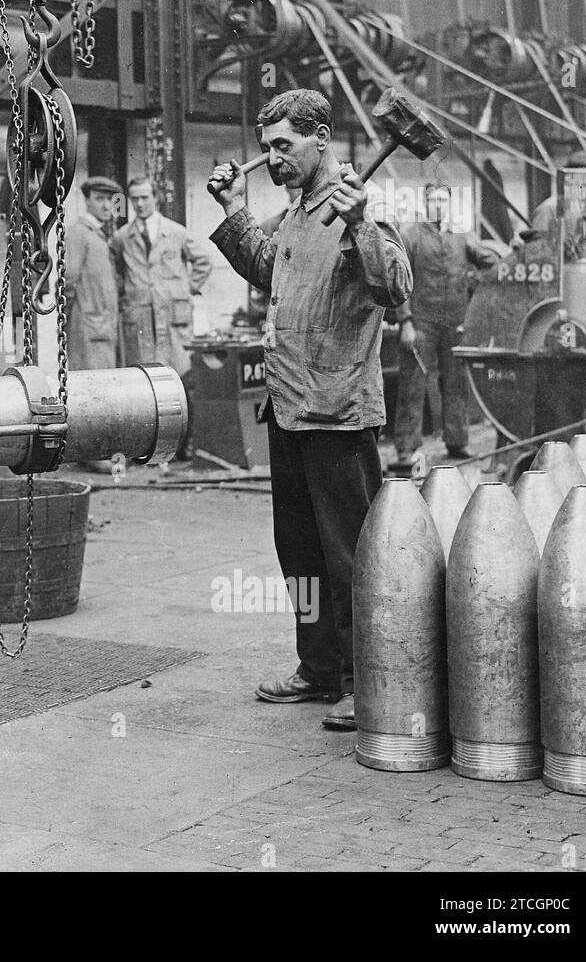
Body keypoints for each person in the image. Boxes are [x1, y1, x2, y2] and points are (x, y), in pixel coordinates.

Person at [206, 89, 412, 732]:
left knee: (350, 555)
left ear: (320, 138)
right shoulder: (295, 217)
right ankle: (317, 668)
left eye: (283, 145)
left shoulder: (356, 206)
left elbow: (395, 288)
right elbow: (270, 273)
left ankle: (362, 680)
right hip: (290, 408)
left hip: (339, 413)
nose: (272, 158)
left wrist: (361, 225)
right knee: (298, 552)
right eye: (266, 147)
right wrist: (236, 212)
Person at [389, 183, 498, 471]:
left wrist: (473, 285)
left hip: (455, 323)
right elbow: (399, 282)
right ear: (425, 203)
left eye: (442, 200)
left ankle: (457, 441)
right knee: (412, 385)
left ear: (449, 203)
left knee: (456, 383)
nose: (438, 205)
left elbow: (491, 261)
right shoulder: (411, 236)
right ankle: (405, 449)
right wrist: (406, 322)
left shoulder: (461, 237)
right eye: (433, 200)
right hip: (421, 323)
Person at [110, 176, 213, 376]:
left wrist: (187, 288)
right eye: (134, 199)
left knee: (178, 372)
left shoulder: (176, 232)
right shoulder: (122, 237)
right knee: (143, 375)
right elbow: (114, 269)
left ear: (156, 198)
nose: (139, 204)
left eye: (145, 197)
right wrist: (126, 292)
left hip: (172, 314)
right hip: (140, 314)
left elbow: (203, 261)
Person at [64, 177, 121, 371]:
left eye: (110, 199)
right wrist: (69, 320)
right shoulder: (79, 233)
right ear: (87, 200)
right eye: (99, 199)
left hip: (100, 325)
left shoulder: (97, 234)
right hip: (87, 325)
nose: (106, 206)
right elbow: (69, 280)